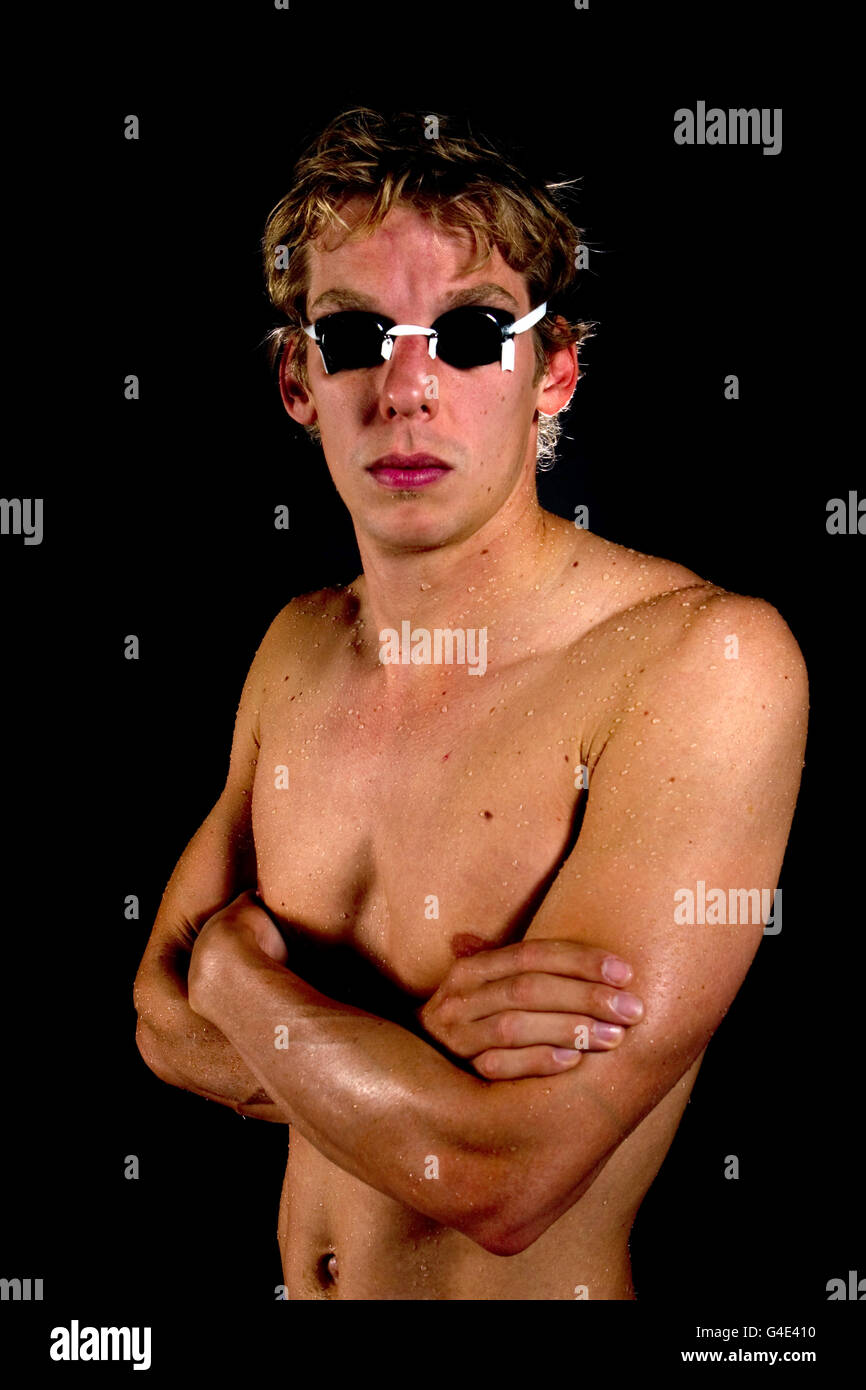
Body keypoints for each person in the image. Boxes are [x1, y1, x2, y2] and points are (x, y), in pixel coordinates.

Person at [133, 107, 808, 1300]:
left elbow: (505, 1172)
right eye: (351, 335)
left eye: (469, 333)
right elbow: (152, 1023)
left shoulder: (702, 661)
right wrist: (409, 1051)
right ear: (297, 377)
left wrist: (239, 980)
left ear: (553, 369)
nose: (405, 388)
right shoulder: (294, 646)